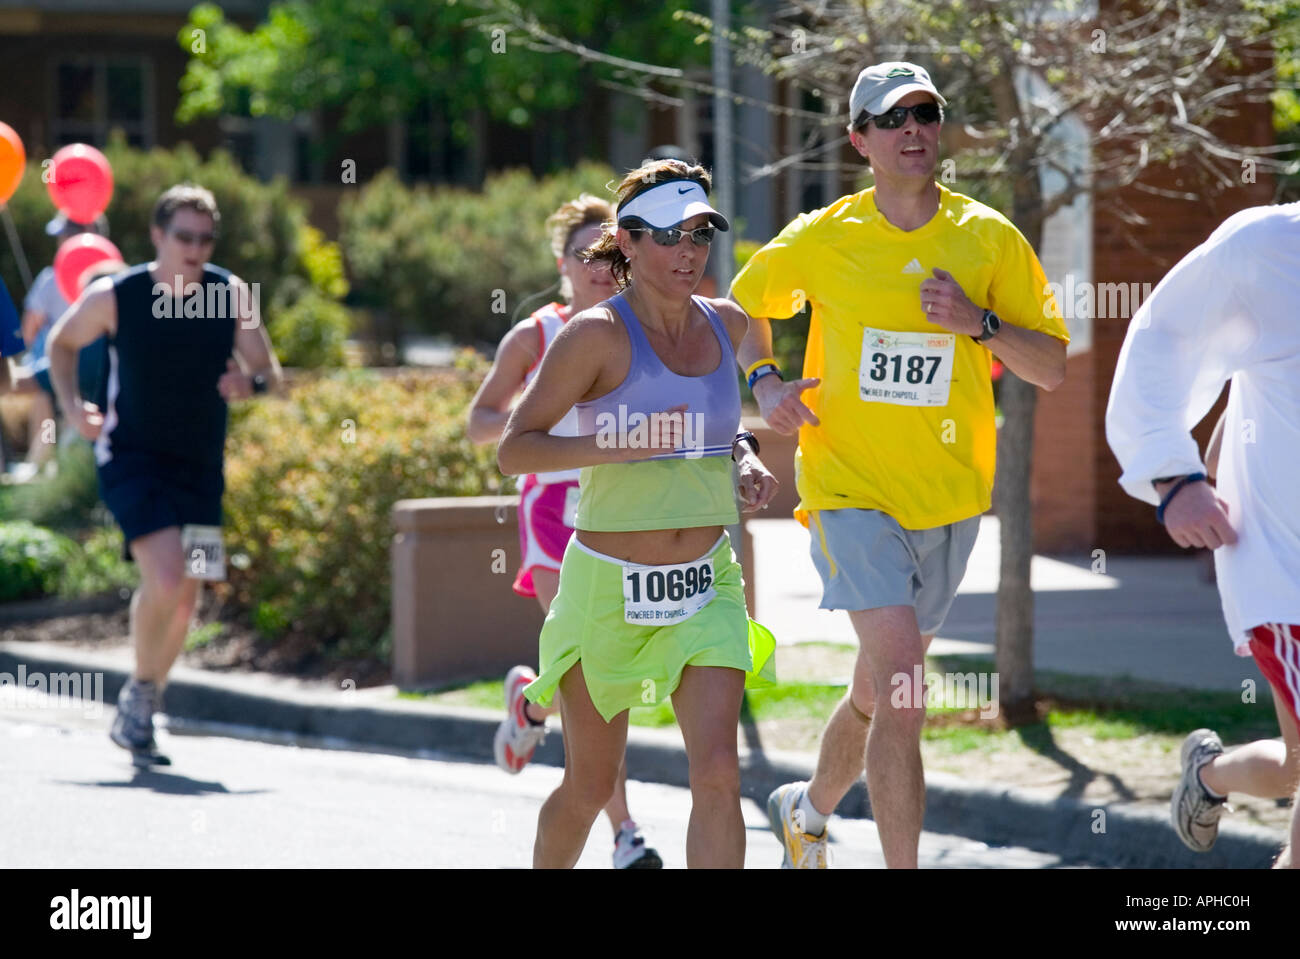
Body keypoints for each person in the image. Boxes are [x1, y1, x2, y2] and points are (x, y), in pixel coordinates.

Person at [730, 61, 1069, 868]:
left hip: (948, 500)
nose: (913, 128)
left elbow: (1051, 366)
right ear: (860, 139)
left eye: (926, 112)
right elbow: (744, 308)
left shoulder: (988, 237)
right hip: (848, 490)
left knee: (877, 691)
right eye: (893, 118)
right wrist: (765, 380)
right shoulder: (824, 236)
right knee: (910, 692)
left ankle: (805, 810)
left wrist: (978, 322)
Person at [498, 158, 779, 869]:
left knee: (719, 772)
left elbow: (725, 417)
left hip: (705, 584)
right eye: (668, 237)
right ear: (625, 241)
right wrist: (615, 445)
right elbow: (514, 450)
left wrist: (743, 455)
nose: (688, 253)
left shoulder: (728, 322)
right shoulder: (593, 335)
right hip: (608, 589)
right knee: (590, 784)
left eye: (699, 235)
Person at [47, 183, 282, 766]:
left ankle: (142, 699)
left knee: (187, 596)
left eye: (206, 238)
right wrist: (75, 407)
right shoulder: (117, 296)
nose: (196, 249)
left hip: (201, 468)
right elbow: (59, 343)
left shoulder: (231, 296)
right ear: (157, 235)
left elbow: (270, 376)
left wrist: (246, 385)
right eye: (184, 236)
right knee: (168, 572)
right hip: (132, 459)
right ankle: (142, 700)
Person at [467, 194, 662, 869]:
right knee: (595, 673)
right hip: (553, 513)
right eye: (587, 255)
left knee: (599, 667)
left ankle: (530, 701)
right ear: (563, 264)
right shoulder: (536, 334)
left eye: (611, 254)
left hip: (622, 512)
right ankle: (625, 832)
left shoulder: (640, 327)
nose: (600, 268)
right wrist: (535, 410)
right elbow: (480, 422)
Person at [1105, 201, 1300, 869]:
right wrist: (1174, 475)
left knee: (1296, 767)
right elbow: (1162, 337)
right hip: (1287, 575)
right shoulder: (1269, 245)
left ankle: (1210, 774)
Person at [11, 215, 111, 468]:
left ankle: (40, 464)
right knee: (45, 395)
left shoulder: (108, 284)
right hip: (57, 369)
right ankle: (41, 461)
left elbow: (28, 331)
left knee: (44, 392)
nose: (60, 243)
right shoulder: (53, 278)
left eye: (64, 236)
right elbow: (30, 332)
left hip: (71, 373)